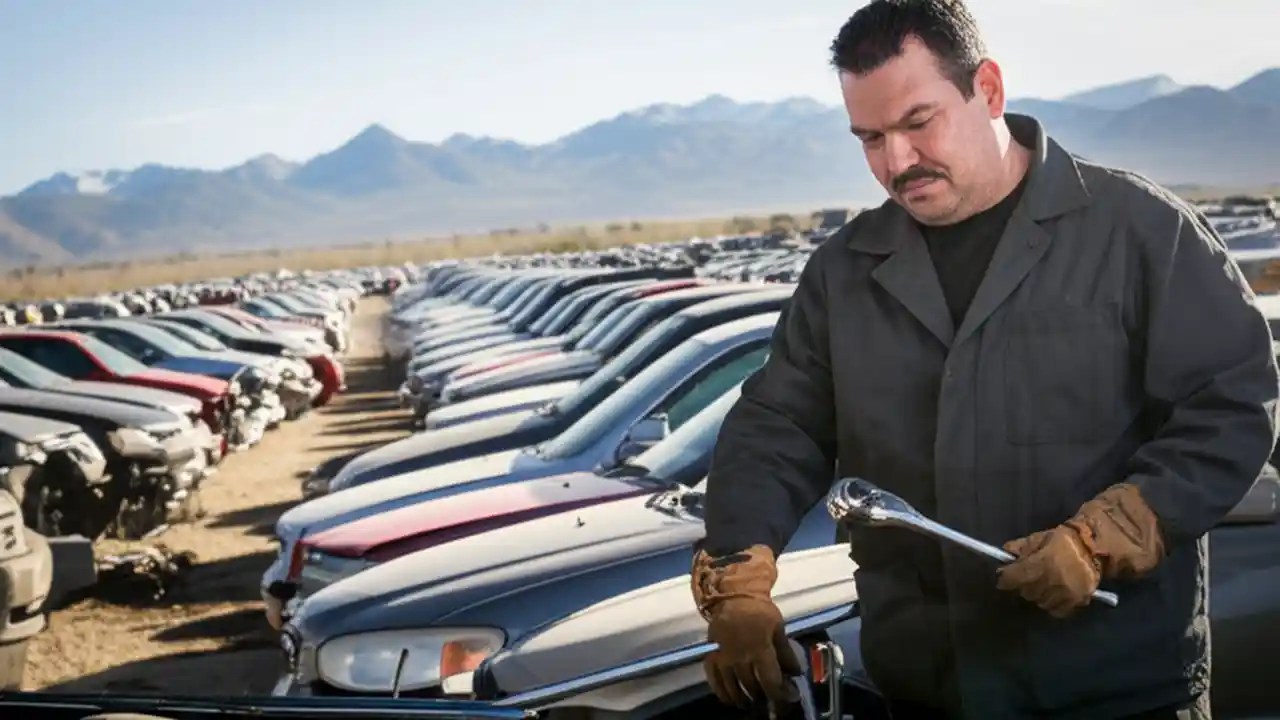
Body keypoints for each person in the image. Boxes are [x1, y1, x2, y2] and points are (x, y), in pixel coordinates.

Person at [688, 1, 1280, 718]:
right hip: (931, 691)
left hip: (1116, 689)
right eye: (870, 138)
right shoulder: (844, 274)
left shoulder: (1140, 231)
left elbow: (1231, 404)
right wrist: (737, 581)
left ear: (988, 90)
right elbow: (777, 429)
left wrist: (1106, 537)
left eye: (917, 123)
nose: (896, 161)